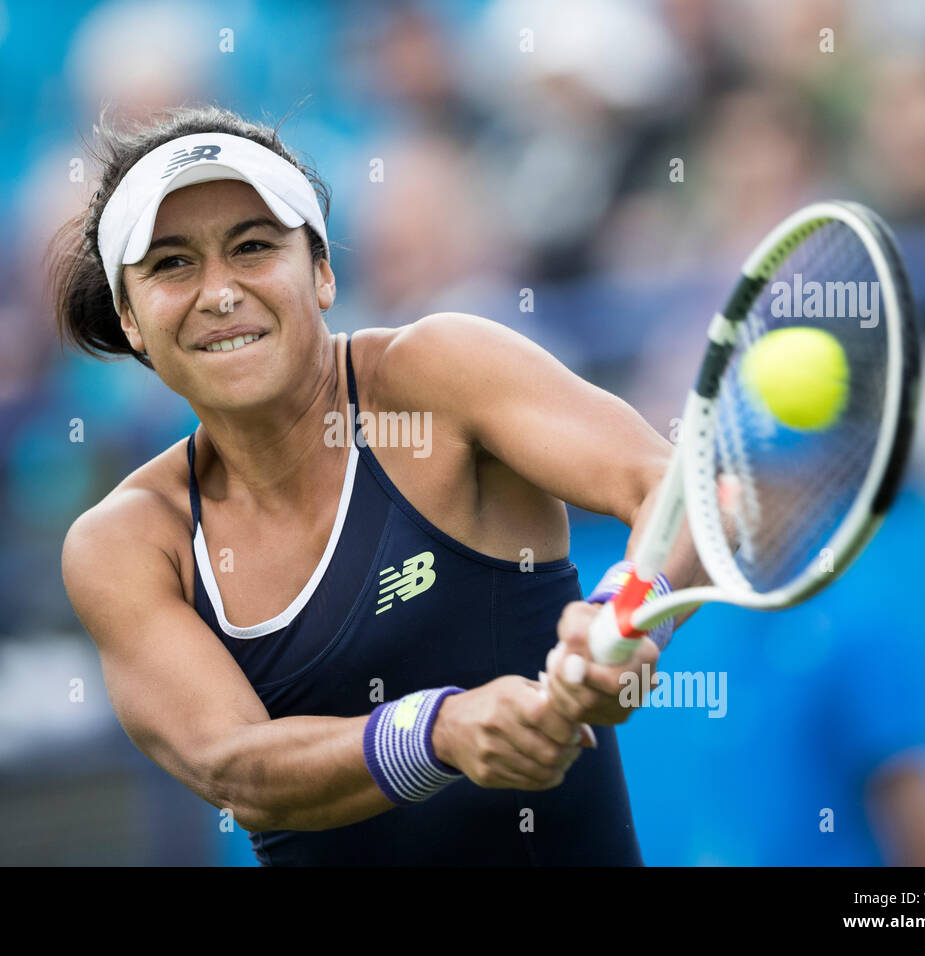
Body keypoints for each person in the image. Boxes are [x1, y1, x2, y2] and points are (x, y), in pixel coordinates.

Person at [51, 106, 703, 865]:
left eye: (253, 247)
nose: (220, 292)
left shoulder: (440, 372)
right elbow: (235, 766)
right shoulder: (124, 543)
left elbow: (675, 489)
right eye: (171, 264)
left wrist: (630, 618)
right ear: (130, 319)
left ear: (322, 272)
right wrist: (438, 733)